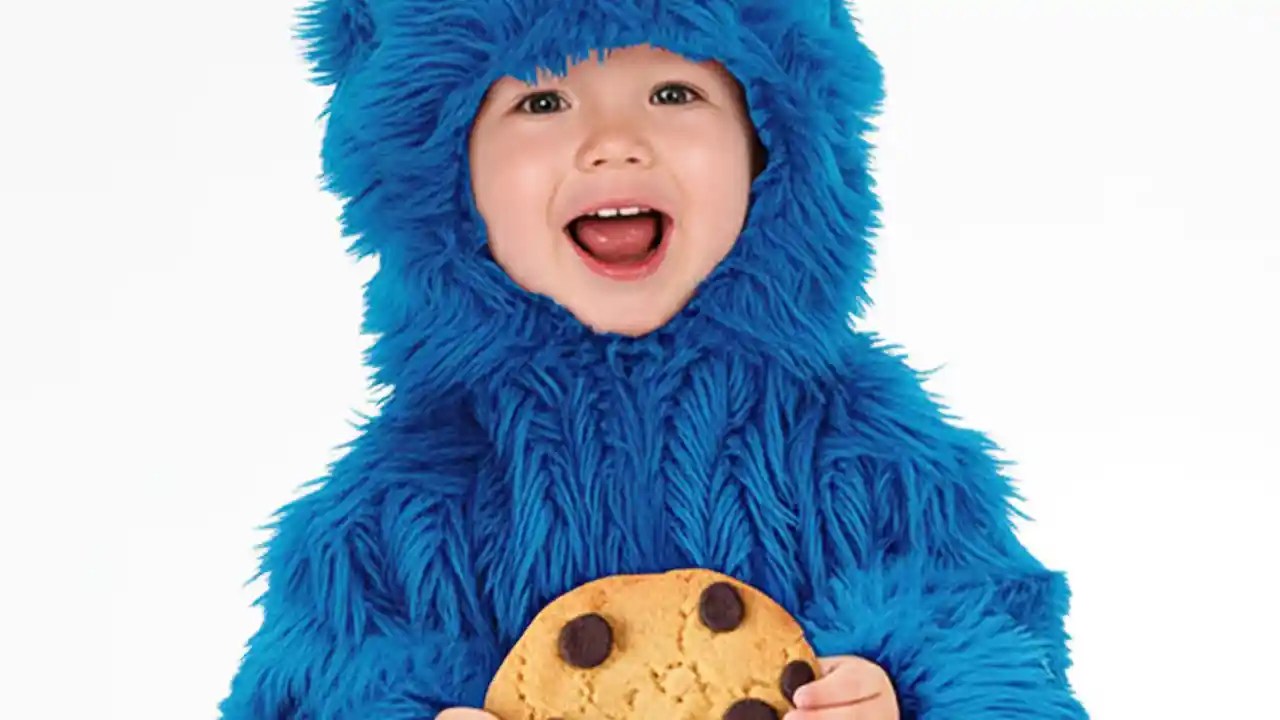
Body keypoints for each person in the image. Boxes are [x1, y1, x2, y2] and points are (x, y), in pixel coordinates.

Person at [219, 2, 1088, 719]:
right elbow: (309, 683)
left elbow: (997, 640)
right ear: (447, 184)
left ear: (771, 150)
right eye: (543, 101)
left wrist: (907, 691)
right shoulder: (405, 501)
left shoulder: (872, 458)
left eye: (673, 91)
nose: (613, 143)